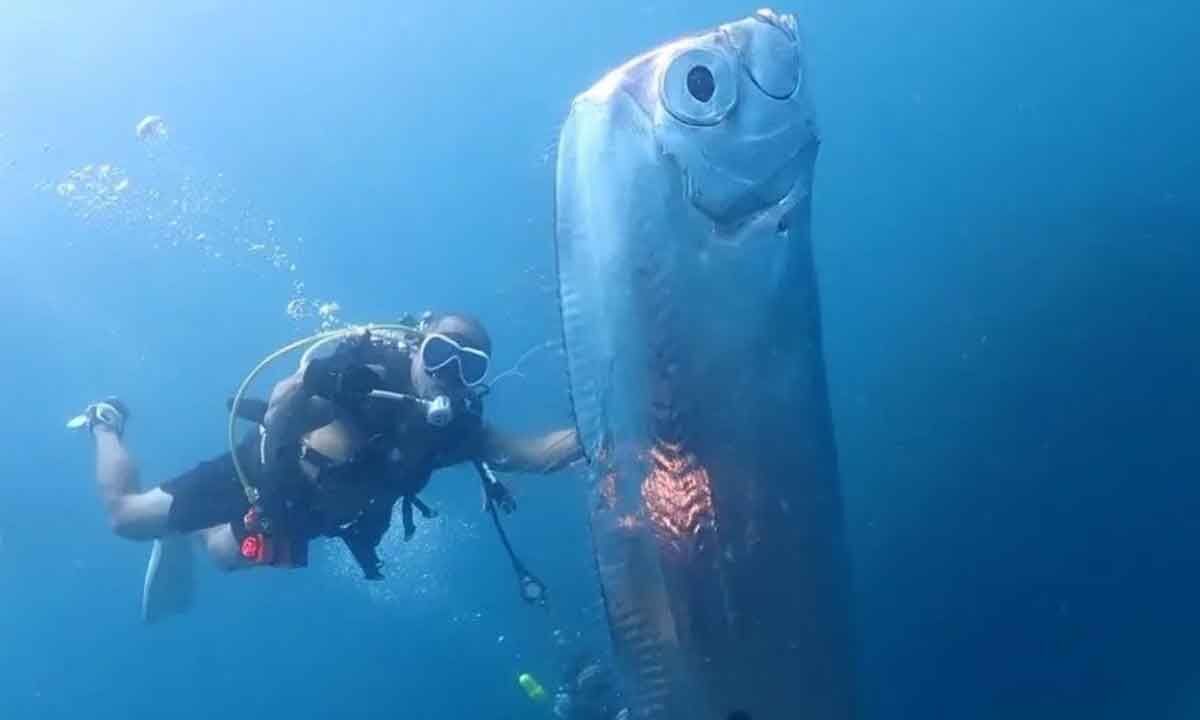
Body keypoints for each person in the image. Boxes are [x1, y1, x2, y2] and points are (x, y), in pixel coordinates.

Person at [73, 312, 582, 620]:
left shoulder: (457, 431)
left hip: (309, 517)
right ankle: (106, 420)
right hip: (262, 478)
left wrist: (620, 429)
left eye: (467, 366)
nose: (448, 374)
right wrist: (314, 390)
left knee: (225, 557)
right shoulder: (363, 375)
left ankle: (183, 532)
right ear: (419, 347)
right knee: (124, 517)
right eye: (441, 354)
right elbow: (281, 399)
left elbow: (534, 456)